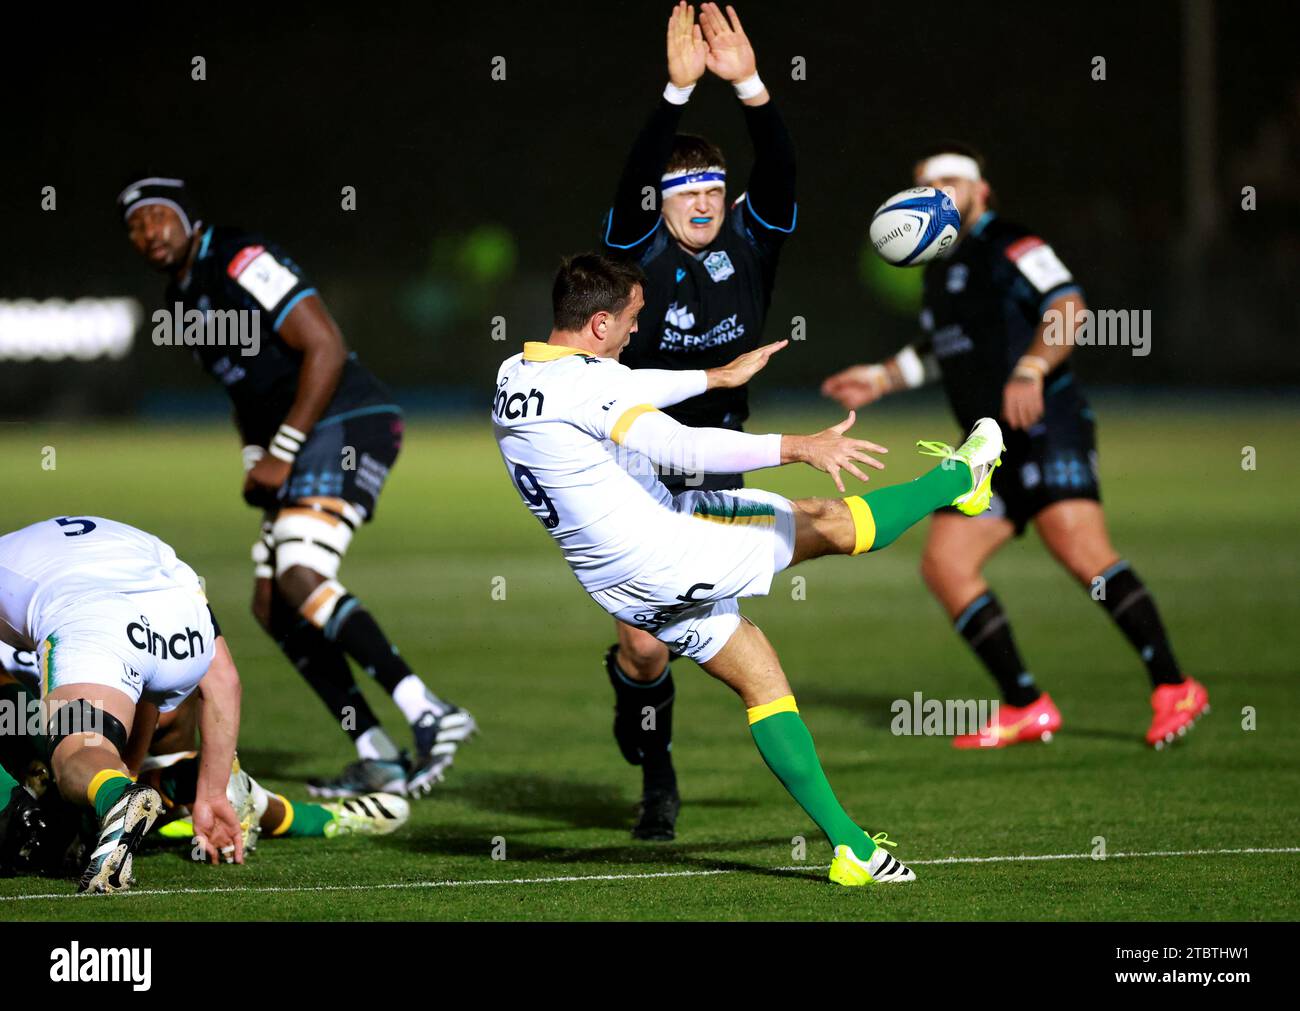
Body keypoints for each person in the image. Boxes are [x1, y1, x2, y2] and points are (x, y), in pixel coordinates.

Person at [492, 254, 1007, 885]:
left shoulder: (516, 372)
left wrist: (715, 377)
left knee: (762, 678)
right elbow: (674, 443)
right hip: (668, 548)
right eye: (630, 319)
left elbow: (621, 389)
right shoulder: (594, 386)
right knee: (829, 522)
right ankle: (960, 477)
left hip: (618, 588)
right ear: (599, 324)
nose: (635, 331)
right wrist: (799, 447)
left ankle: (851, 848)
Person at [821, 143, 1208, 749]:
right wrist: (879, 377)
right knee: (946, 564)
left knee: (1083, 555)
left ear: (982, 191)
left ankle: (1173, 686)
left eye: (953, 181)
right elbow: (939, 349)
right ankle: (1027, 704)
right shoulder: (939, 266)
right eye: (928, 184)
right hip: (986, 445)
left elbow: (1069, 305)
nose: (940, 193)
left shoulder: (1011, 242)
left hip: (1046, 424)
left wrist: (1031, 367)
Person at [117, 176, 474, 796]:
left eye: (157, 217)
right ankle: (377, 752)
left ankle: (430, 712)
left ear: (185, 217)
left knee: (301, 575)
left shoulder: (237, 257)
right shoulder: (182, 300)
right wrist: (258, 453)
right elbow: (244, 391)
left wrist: (280, 452)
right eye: (135, 226)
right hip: (300, 434)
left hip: (346, 419)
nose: (148, 233)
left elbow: (325, 344)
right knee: (273, 604)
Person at [597, 1, 797, 839]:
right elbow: (633, 178)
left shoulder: (751, 240)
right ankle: (658, 772)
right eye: (689, 190)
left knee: (697, 630)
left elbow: (780, 169)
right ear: (664, 202)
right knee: (646, 647)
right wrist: (676, 94)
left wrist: (749, 85)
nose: (707, 200)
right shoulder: (632, 254)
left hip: (717, 460)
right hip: (635, 461)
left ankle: (649, 720)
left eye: (716, 186)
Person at [0, 516, 244, 892]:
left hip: (93, 619)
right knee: (136, 693)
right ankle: (117, 796)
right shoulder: (134, 544)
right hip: (180, 624)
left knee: (78, 753)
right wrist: (212, 794)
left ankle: (117, 797)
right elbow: (225, 680)